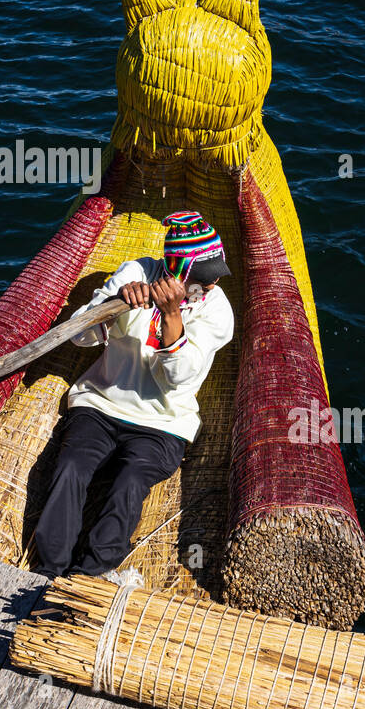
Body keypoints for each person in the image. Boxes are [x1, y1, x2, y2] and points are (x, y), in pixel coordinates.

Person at [34, 211, 234, 583]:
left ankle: (89, 575)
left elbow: (177, 379)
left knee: (130, 481)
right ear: (177, 270)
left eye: (215, 277)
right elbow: (78, 334)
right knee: (72, 467)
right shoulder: (136, 274)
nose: (210, 286)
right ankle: (49, 570)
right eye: (202, 279)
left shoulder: (217, 309)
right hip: (100, 405)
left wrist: (171, 313)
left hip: (163, 423)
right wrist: (114, 309)